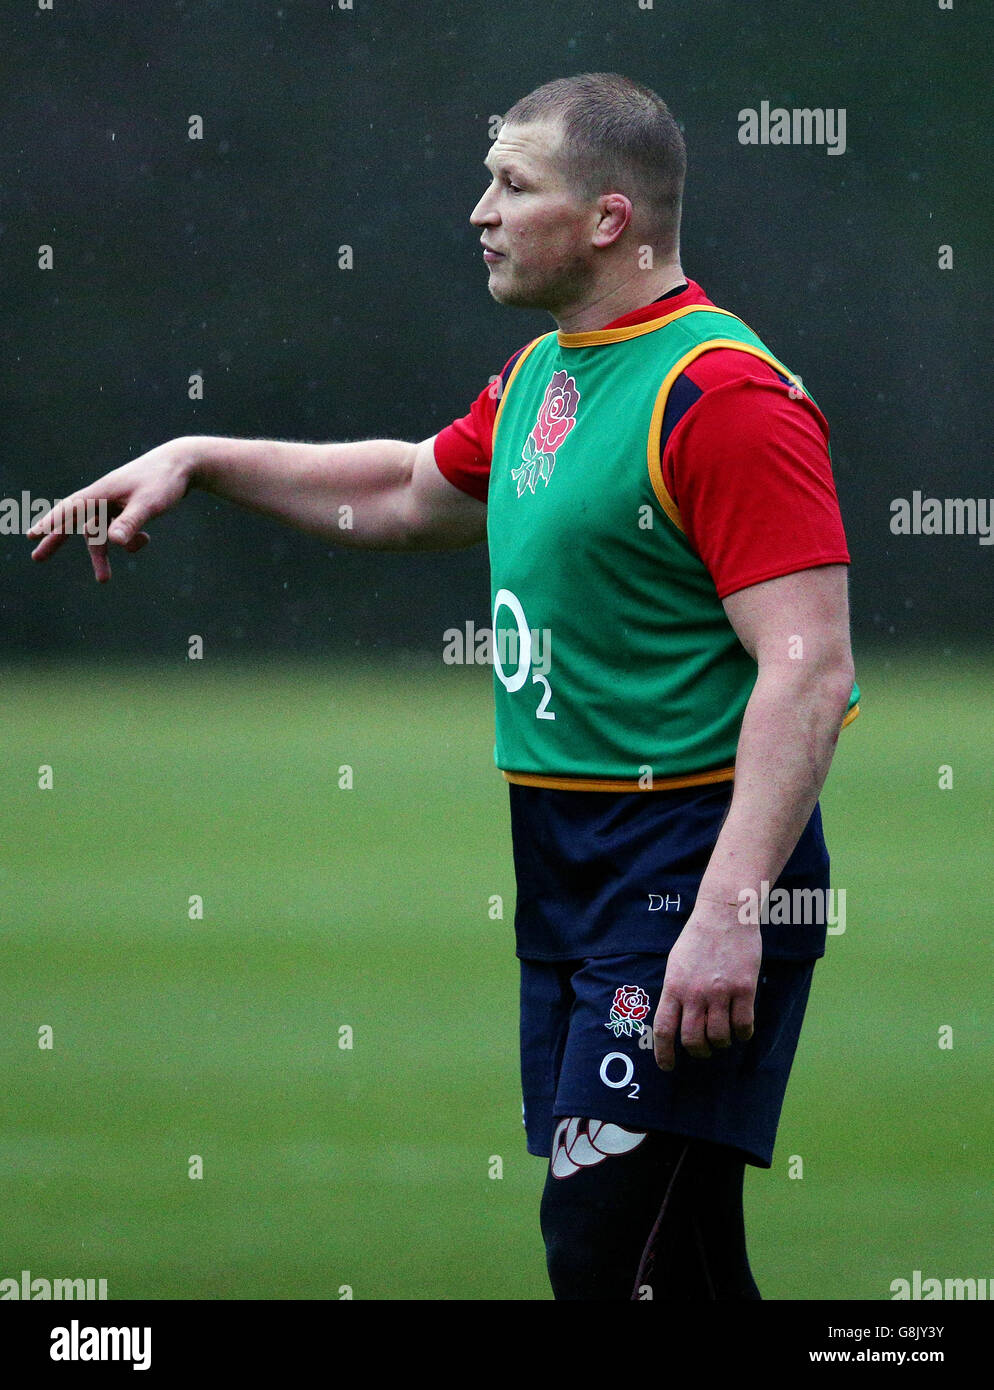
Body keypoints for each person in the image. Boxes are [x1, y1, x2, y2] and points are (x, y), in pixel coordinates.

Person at [29, 72, 859, 1302]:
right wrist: (198, 457)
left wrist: (729, 909)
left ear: (609, 219)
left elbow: (811, 663)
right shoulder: (545, 375)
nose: (478, 210)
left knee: (601, 1251)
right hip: (569, 854)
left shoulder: (720, 394)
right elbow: (414, 491)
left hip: (687, 858)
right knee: (665, 1260)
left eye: (512, 185)